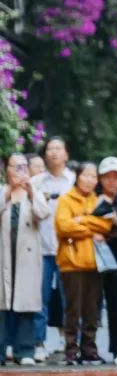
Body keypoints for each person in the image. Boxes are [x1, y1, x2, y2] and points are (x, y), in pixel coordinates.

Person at [54, 162, 112, 365]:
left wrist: (82, 220)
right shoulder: (66, 200)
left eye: (93, 176)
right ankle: (71, 350)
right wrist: (90, 226)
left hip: (95, 264)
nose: (89, 180)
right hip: (71, 263)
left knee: (92, 310)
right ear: (77, 177)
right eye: (85, 175)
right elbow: (63, 226)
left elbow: (106, 225)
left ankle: (90, 349)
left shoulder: (99, 201)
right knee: (73, 309)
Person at [0, 154, 50, 366]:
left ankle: (25, 350)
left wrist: (30, 191)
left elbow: (43, 213)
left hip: (27, 257)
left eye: (22, 166)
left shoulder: (34, 192)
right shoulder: (2, 191)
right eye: (14, 166)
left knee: (26, 303)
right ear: (7, 170)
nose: (18, 171)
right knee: (1, 305)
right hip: (4, 254)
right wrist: (9, 193)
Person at [31, 136, 74, 362]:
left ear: (66, 154)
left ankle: (69, 342)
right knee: (40, 298)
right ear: (45, 153)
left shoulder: (74, 181)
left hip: (68, 249)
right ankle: (38, 342)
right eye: (50, 148)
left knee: (69, 299)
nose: (54, 152)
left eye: (59, 148)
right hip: (41, 247)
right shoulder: (36, 182)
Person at [94, 157, 117, 365]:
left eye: (116, 177)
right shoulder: (93, 198)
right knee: (92, 306)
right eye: (108, 177)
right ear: (101, 178)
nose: (112, 181)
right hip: (94, 256)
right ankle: (87, 349)